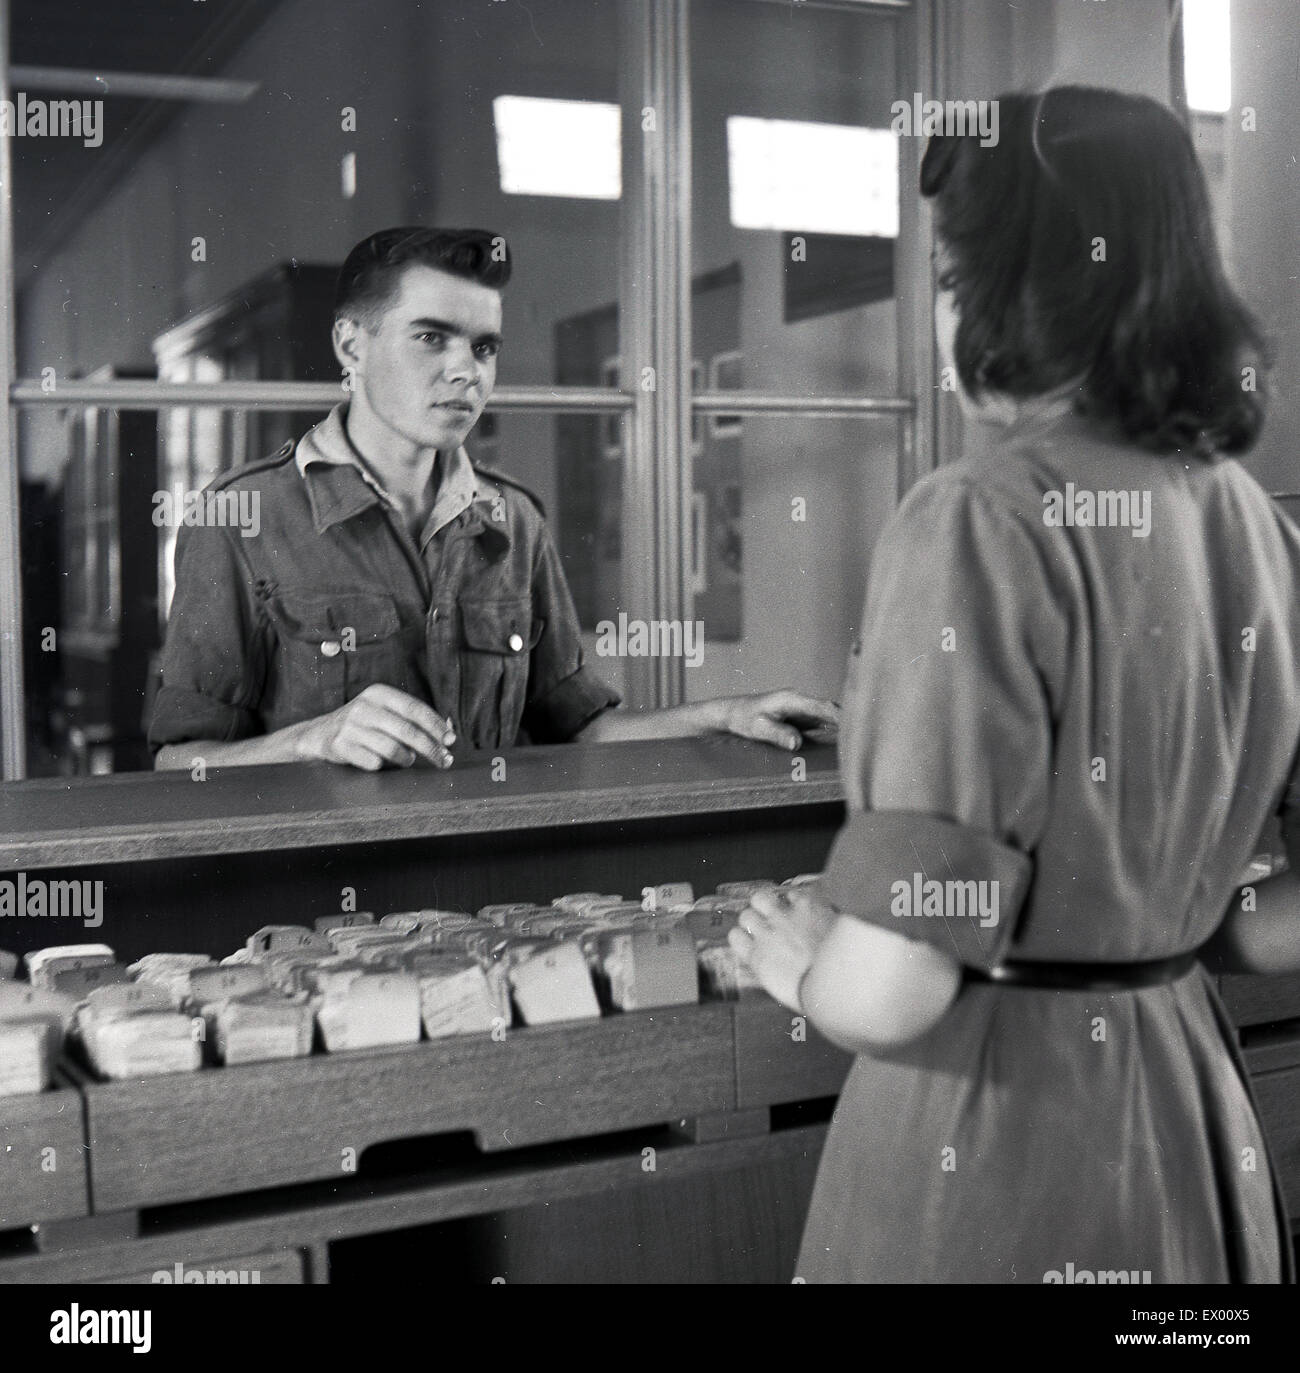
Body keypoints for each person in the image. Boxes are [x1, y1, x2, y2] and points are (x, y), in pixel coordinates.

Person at [733, 85, 1300, 1283]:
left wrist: (803, 967)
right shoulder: (1250, 517)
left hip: (997, 1142)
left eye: (949, 273)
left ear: (997, 289)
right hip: (1191, 1124)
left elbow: (891, 989)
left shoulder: (979, 518)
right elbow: (1270, 924)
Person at [149, 227, 835, 770]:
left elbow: (581, 730)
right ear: (350, 344)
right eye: (430, 337)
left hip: (486, 894)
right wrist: (311, 741)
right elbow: (181, 761)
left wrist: (721, 716)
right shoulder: (241, 520)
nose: (464, 371)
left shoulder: (515, 522)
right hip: (323, 913)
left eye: (484, 347)